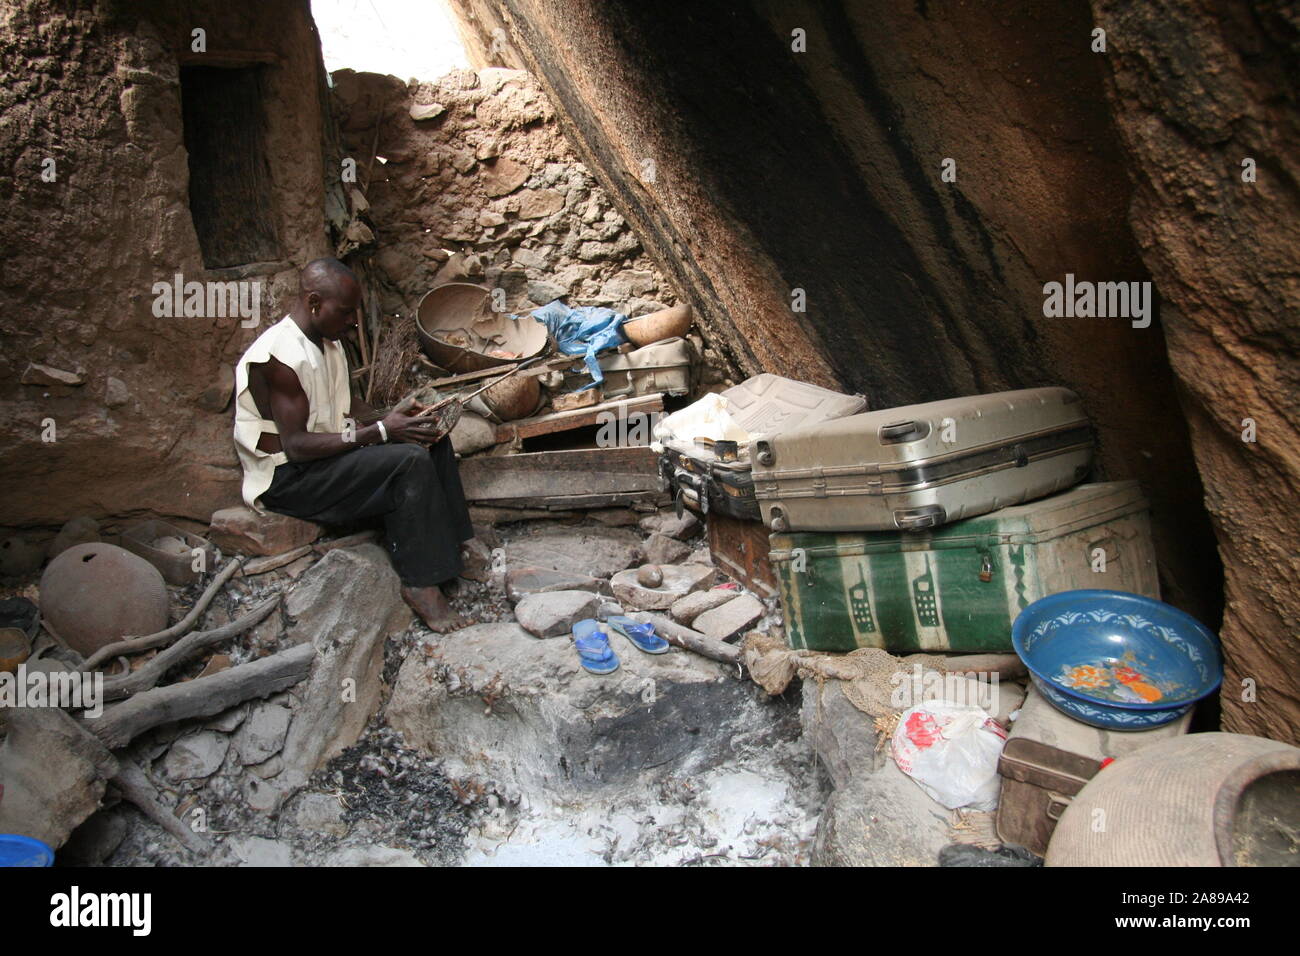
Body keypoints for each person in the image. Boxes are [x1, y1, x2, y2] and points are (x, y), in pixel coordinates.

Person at [232, 257, 471, 631]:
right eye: (345, 313)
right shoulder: (280, 358)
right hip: (290, 479)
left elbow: (347, 405)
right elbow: (296, 446)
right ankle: (420, 583)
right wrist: (381, 433)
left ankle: (455, 549)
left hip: (324, 461)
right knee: (407, 461)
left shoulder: (328, 343)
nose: (352, 322)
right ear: (314, 303)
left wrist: (392, 416)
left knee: (430, 437)